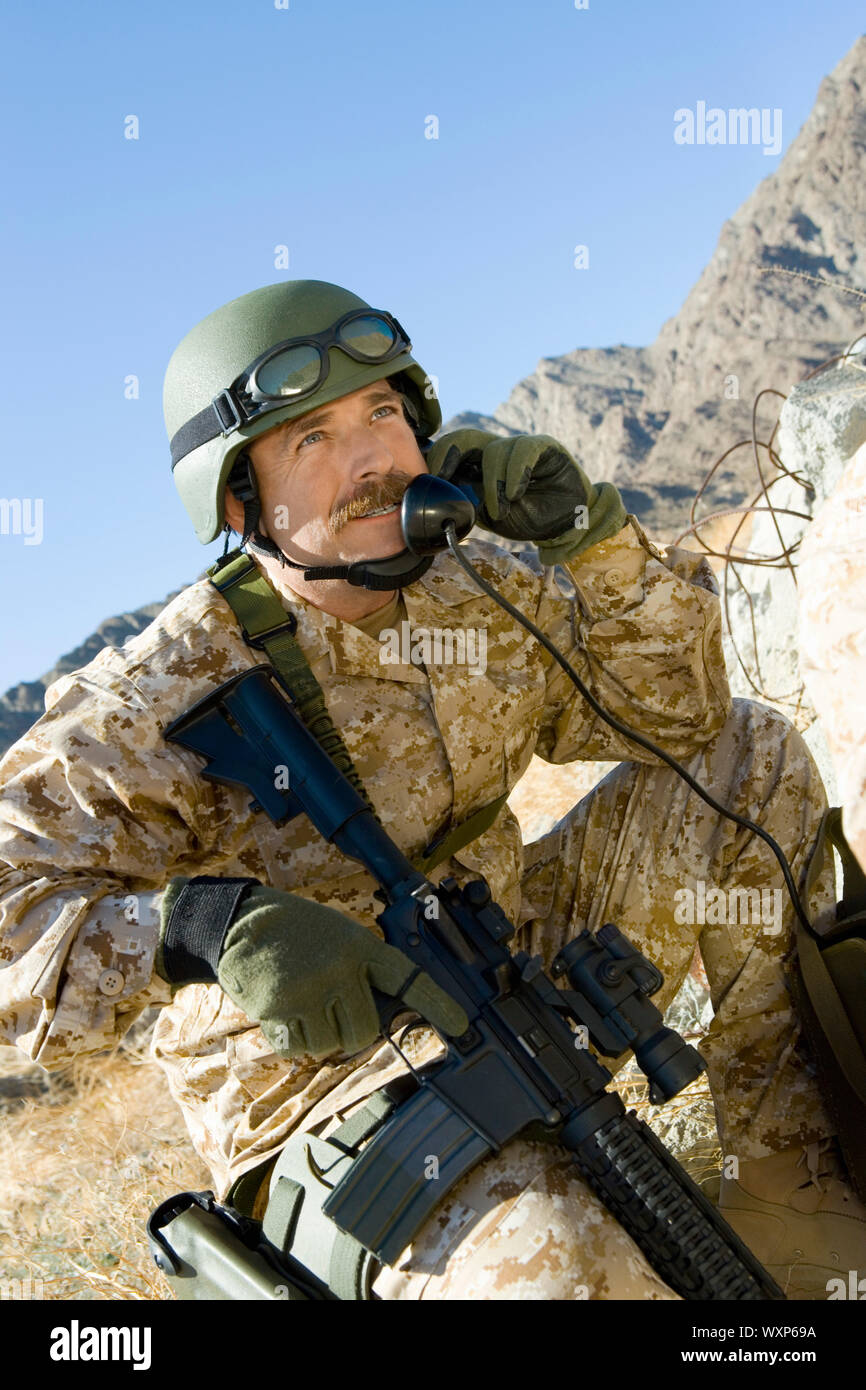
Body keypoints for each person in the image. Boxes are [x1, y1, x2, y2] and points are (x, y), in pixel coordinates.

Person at [0, 279, 862, 1300]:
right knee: (561, 1265)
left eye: (383, 414)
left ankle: (788, 1199)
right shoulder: (161, 687)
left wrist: (586, 535)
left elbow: (683, 718)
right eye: (311, 439)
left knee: (747, 760)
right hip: (327, 1088)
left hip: (505, 971)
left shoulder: (484, 589)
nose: (370, 458)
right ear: (239, 501)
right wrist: (199, 927)